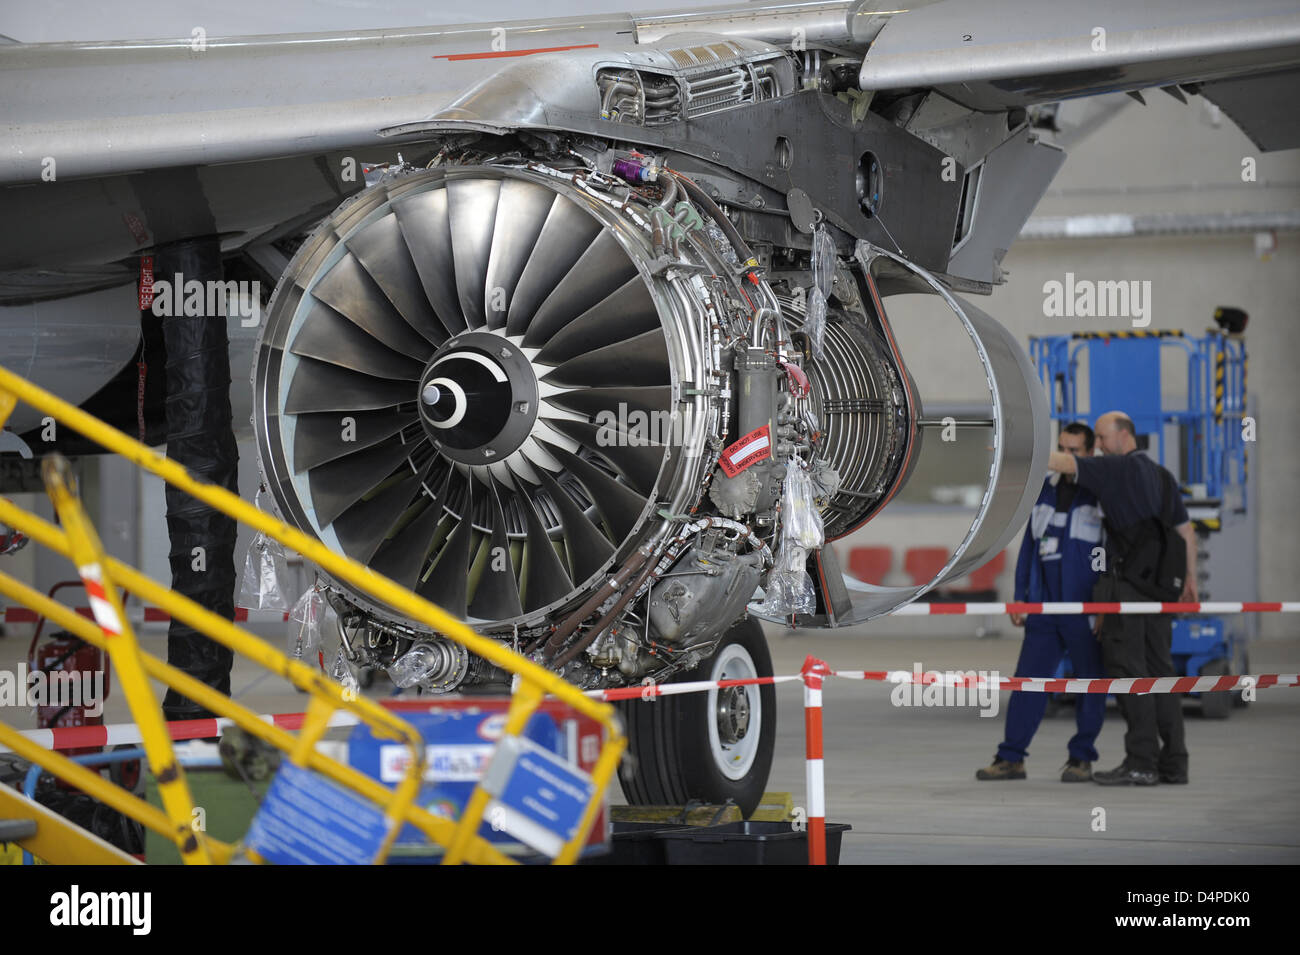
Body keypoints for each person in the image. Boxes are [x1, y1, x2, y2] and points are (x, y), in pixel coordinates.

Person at [1049, 411, 1197, 786]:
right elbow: (1185, 530)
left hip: (1130, 587)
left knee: (1132, 675)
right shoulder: (1162, 476)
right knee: (1162, 673)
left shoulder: (1115, 469)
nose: (1097, 446)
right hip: (1163, 589)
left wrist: (1015, 450)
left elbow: (1064, 463)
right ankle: (1174, 763)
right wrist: (1189, 578)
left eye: (1101, 438)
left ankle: (1141, 762)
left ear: (1123, 435)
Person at [977, 423, 1106, 783]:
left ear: (1090, 454)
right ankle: (1011, 758)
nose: (1066, 457)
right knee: (1028, 684)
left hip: (1085, 611)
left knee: (1089, 685)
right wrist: (1021, 597)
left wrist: (1104, 608)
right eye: (1062, 448)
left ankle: (1081, 759)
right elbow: (1029, 550)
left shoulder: (1099, 496)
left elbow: (1112, 557)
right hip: (1045, 609)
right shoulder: (1042, 494)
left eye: (1075, 451)